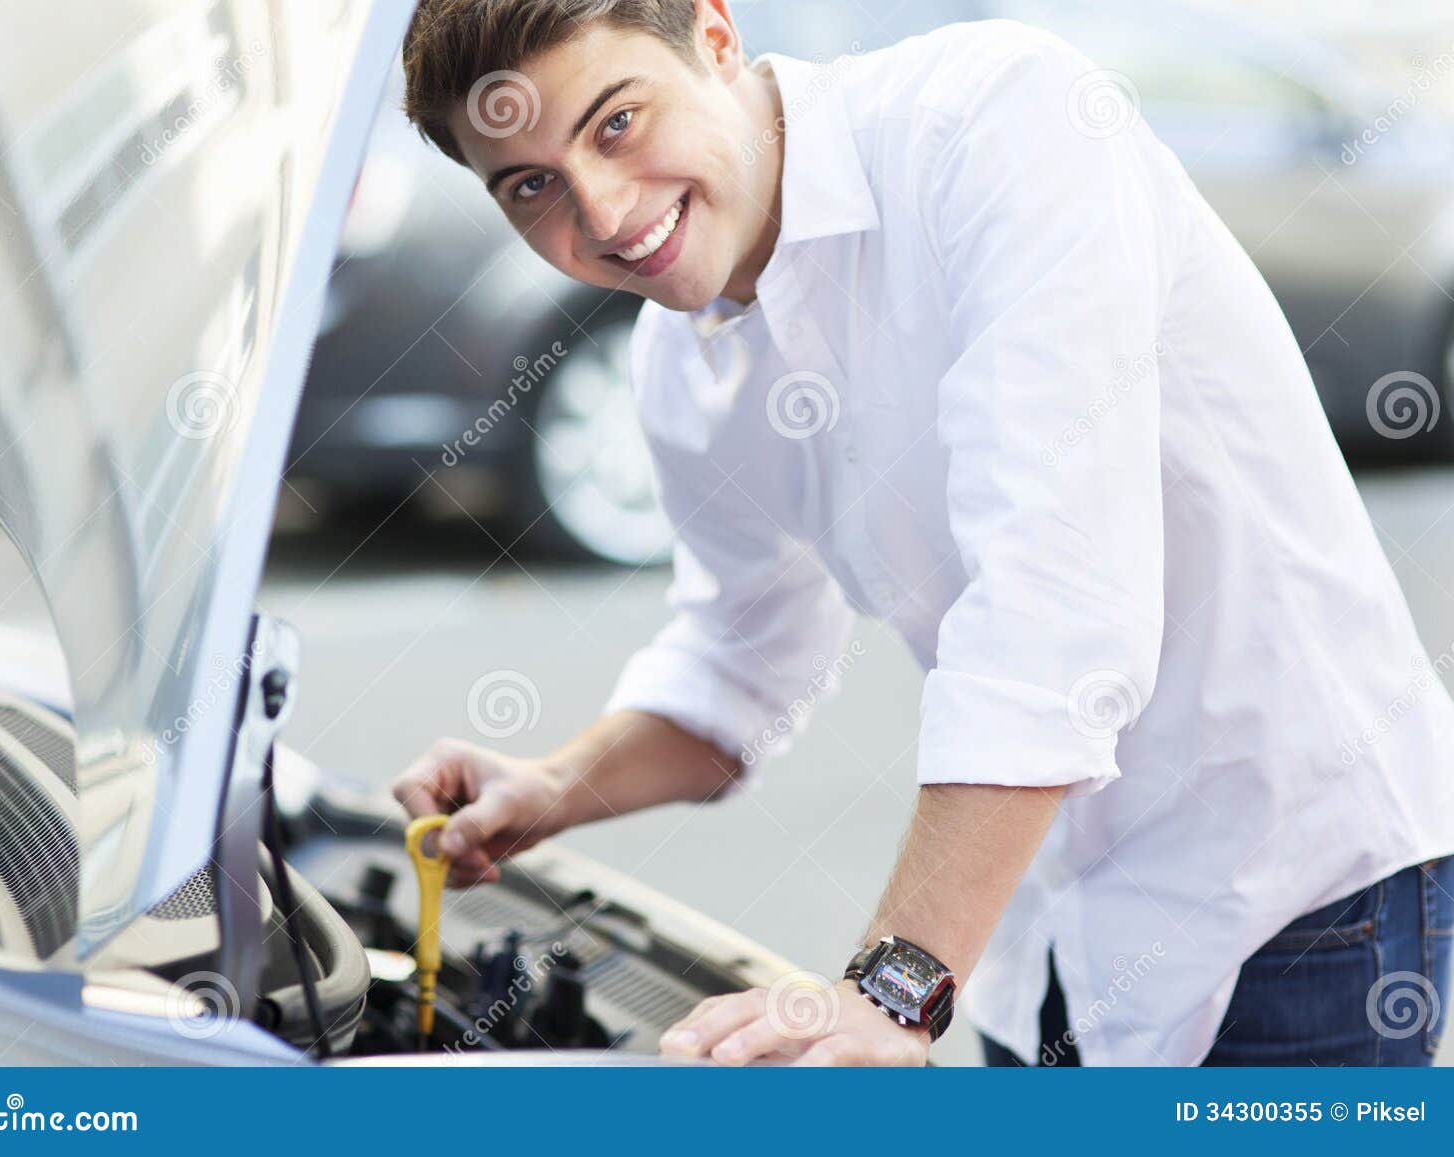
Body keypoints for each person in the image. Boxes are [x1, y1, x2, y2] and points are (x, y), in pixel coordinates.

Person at [389, 0, 1454, 1066]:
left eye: (615, 122)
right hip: (1040, 923)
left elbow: (1054, 603)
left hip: (1296, 891)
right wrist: (551, 786)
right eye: (531, 185)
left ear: (714, 36)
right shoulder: (679, 364)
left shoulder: (997, 119)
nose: (606, 212)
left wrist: (892, 989)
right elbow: (737, 662)